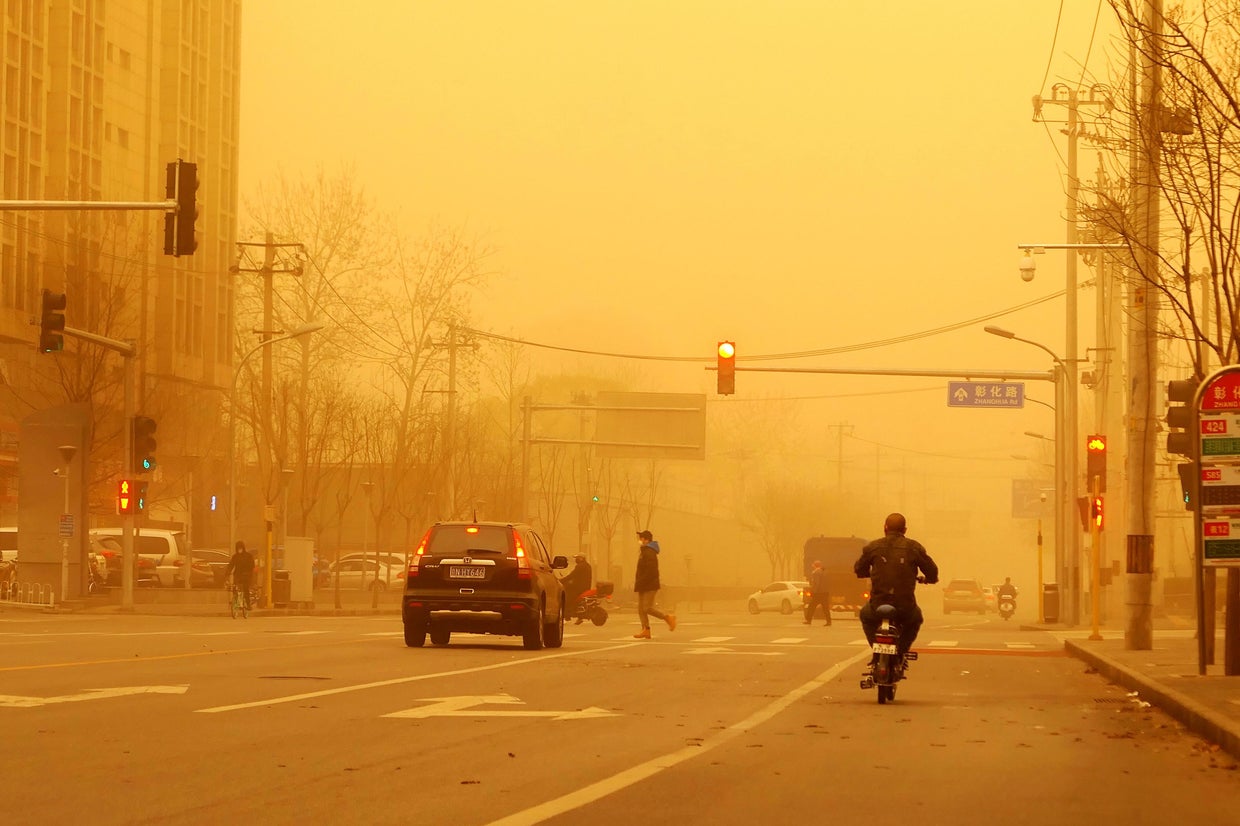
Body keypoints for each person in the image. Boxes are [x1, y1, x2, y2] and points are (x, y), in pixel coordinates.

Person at [854, 513, 938, 668]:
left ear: (885, 527)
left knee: (865, 616)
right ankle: (901, 653)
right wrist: (928, 580)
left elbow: (859, 569)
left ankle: (877, 651)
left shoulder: (872, 547)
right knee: (915, 619)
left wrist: (870, 573)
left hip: (877, 605)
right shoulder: (914, 548)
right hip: (905, 606)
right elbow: (932, 572)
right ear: (905, 529)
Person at [633, 530, 676, 639]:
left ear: (646, 539)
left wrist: (641, 581)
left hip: (649, 585)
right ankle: (645, 629)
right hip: (643, 584)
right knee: (641, 609)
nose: (640, 541)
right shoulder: (644, 551)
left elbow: (651, 571)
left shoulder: (649, 552)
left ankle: (668, 618)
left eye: (641, 538)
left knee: (647, 608)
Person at [561, 553, 593, 624]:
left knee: (567, 599)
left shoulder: (580, 566)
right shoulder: (588, 566)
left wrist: (561, 580)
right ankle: (579, 617)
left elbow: (571, 575)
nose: (576, 559)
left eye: (577, 558)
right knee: (575, 600)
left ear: (582, 558)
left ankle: (567, 616)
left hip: (579, 588)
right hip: (585, 587)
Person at [225, 540, 256, 610]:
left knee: (246, 589)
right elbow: (231, 565)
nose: (239, 549)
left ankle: (248, 604)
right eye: (238, 548)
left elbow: (252, 566)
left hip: (246, 576)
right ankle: (237, 602)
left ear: (243, 548)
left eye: (240, 548)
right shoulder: (235, 557)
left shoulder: (248, 556)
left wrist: (250, 574)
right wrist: (227, 574)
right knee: (235, 588)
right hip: (237, 575)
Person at [803, 560, 832, 626]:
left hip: (818, 593)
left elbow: (816, 583)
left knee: (811, 606)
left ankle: (808, 620)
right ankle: (829, 621)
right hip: (825, 592)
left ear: (815, 565)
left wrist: (813, 592)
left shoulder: (816, 573)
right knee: (825, 608)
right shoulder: (824, 572)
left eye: (813, 564)